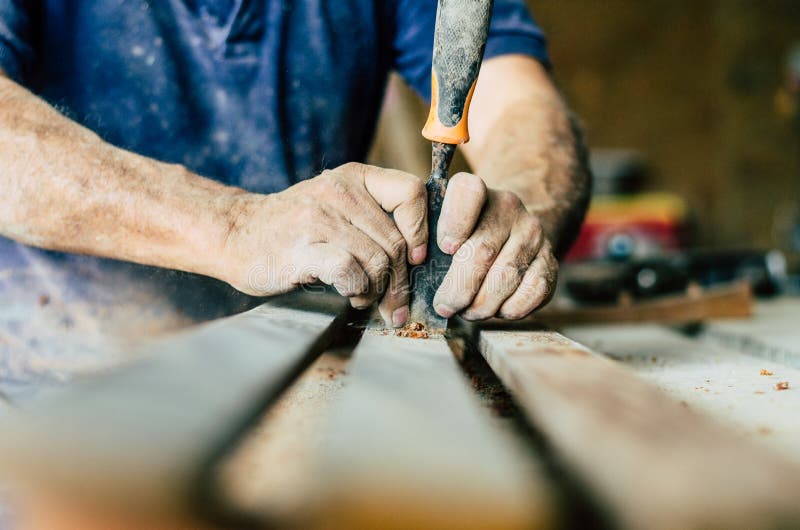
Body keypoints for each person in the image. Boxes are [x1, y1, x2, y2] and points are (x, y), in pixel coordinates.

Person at [0, 0, 590, 398]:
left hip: (305, 391)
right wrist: (234, 227)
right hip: (55, 400)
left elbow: (520, 108)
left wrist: (518, 219)